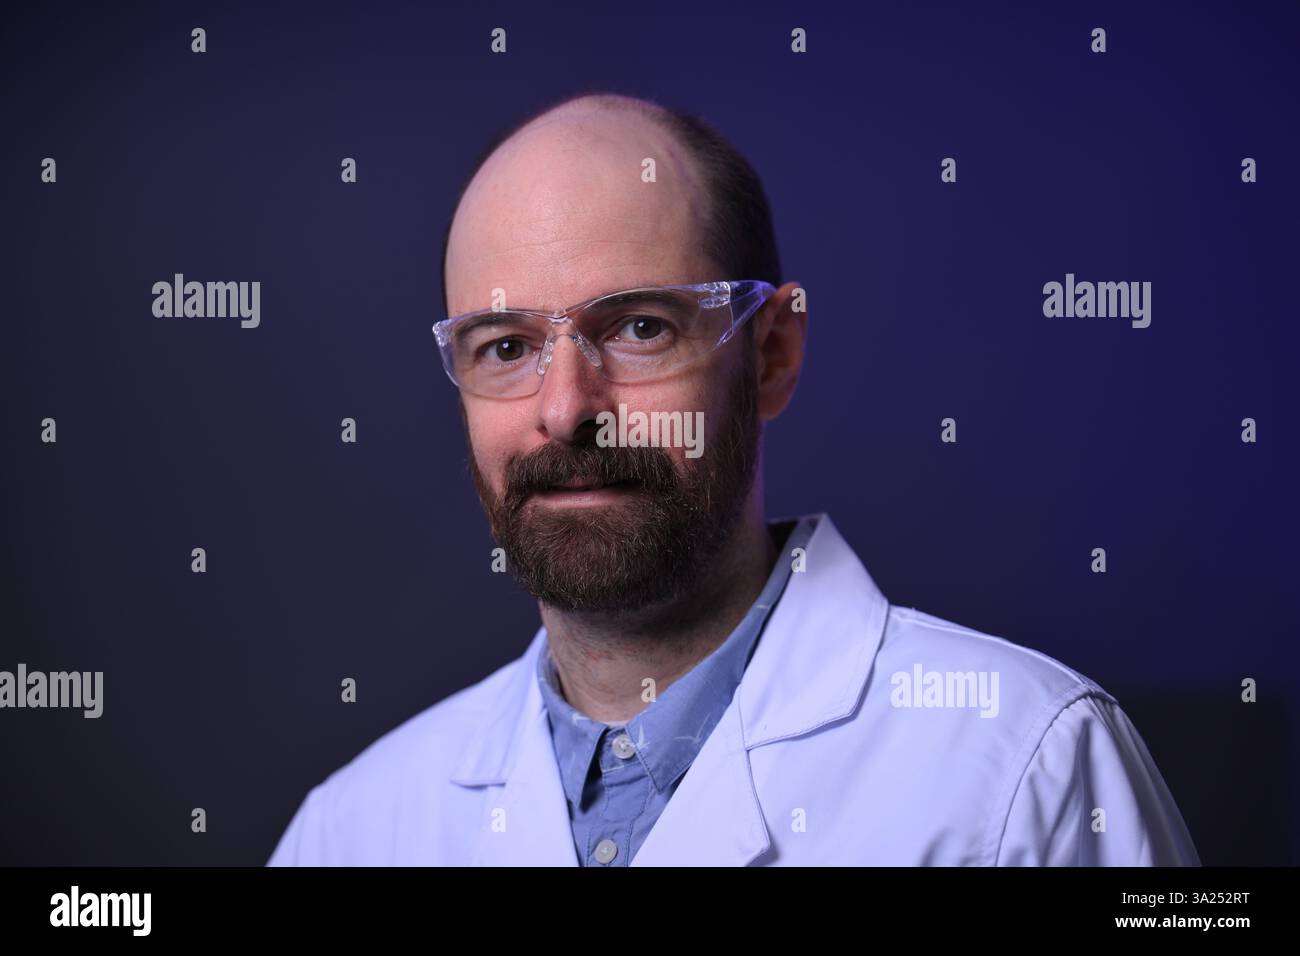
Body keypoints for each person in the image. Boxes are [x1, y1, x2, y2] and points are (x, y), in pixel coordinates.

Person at [267, 90, 1199, 866]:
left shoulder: (1031, 770)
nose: (565, 408)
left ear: (773, 354)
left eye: (638, 328)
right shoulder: (351, 833)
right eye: (505, 346)